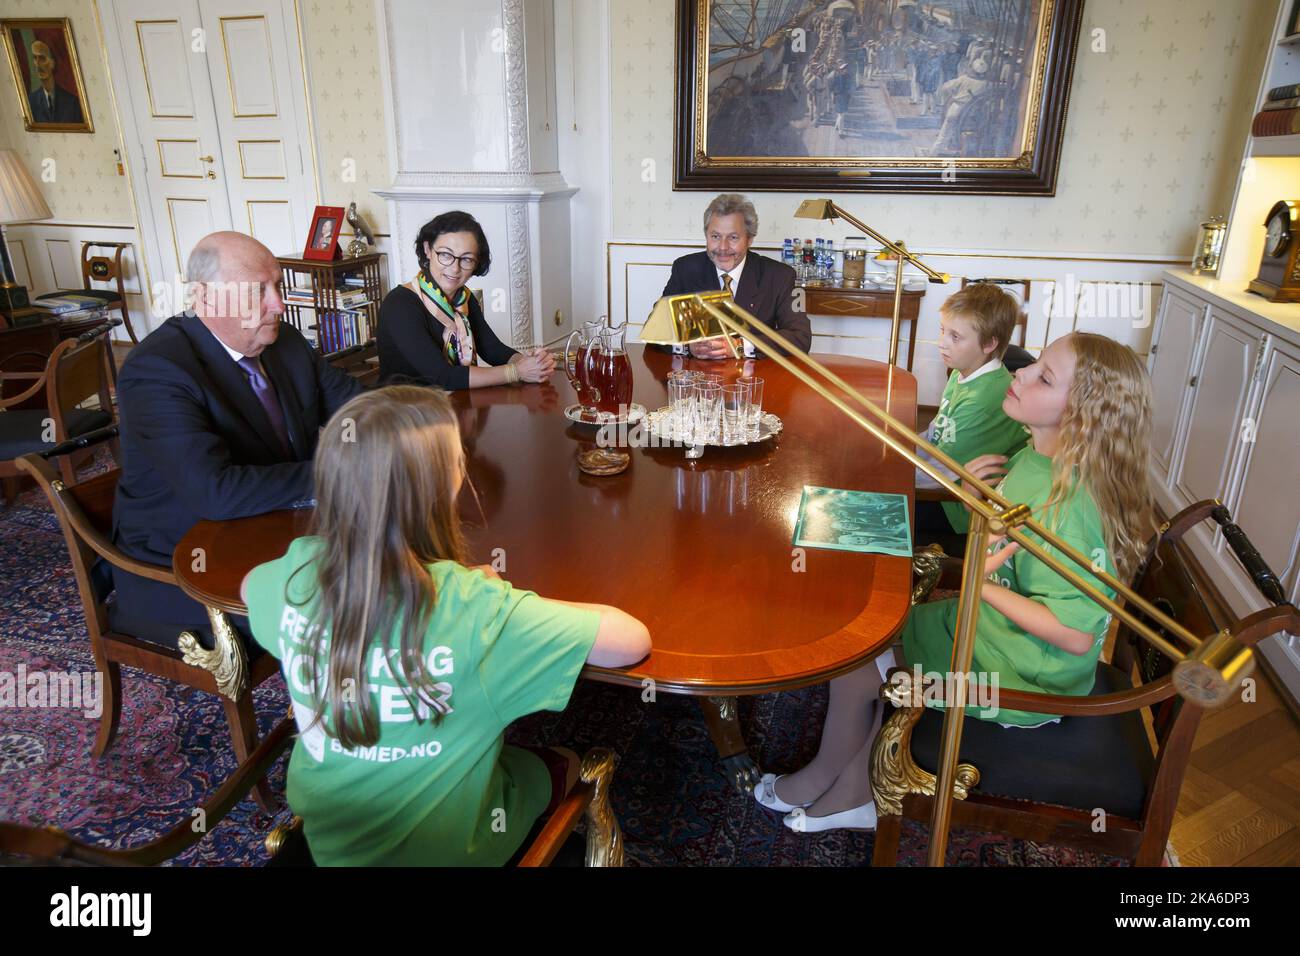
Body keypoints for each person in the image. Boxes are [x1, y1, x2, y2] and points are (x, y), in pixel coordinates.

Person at [755, 332, 1157, 832]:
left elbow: (1075, 633)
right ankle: (837, 781)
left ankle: (855, 795)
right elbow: (1006, 547)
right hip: (987, 631)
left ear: (1082, 414)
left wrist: (981, 586)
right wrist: (972, 499)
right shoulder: (1036, 459)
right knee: (855, 650)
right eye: (1033, 367)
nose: (1020, 372)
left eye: (1043, 377)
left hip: (1024, 673)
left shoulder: (1070, 506)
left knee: (859, 669)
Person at [242, 386, 651, 865]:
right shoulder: (476, 612)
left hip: (330, 833)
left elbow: (251, 587)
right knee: (571, 762)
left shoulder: (295, 576)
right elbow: (630, 639)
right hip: (454, 850)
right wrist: (502, 600)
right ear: (442, 488)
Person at [111, 231, 362, 649]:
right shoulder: (157, 370)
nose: (279, 304)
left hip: (277, 529)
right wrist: (342, 473)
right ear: (205, 299)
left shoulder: (285, 343)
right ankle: (347, 706)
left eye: (277, 286)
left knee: (400, 567)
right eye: (257, 291)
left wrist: (417, 418)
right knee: (357, 608)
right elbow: (217, 492)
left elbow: (357, 408)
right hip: (189, 563)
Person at [377, 211, 554, 389]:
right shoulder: (399, 304)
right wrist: (516, 371)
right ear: (428, 250)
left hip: (452, 401)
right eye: (446, 255)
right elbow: (442, 376)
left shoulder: (463, 298)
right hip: (405, 410)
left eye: (466, 259)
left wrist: (530, 362)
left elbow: (492, 349)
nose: (455, 269)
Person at [914, 283, 1029, 552]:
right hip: (945, 484)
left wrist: (889, 472)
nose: (941, 342)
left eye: (955, 336)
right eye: (943, 330)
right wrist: (897, 449)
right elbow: (936, 433)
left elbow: (942, 474)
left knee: (878, 503)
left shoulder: (985, 398)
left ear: (989, 344)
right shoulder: (962, 369)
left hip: (957, 507)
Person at [660, 193, 811, 359]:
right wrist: (688, 345)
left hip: (754, 380)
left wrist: (740, 346)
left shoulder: (781, 276)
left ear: (749, 239)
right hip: (700, 380)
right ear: (706, 235)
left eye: (733, 237)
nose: (723, 247)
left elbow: (801, 337)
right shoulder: (684, 269)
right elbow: (657, 330)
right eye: (715, 236)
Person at [26, 39, 84, 124]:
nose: (37, 64)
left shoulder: (72, 102)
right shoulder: (30, 101)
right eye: (35, 58)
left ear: (53, 63)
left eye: (42, 58)